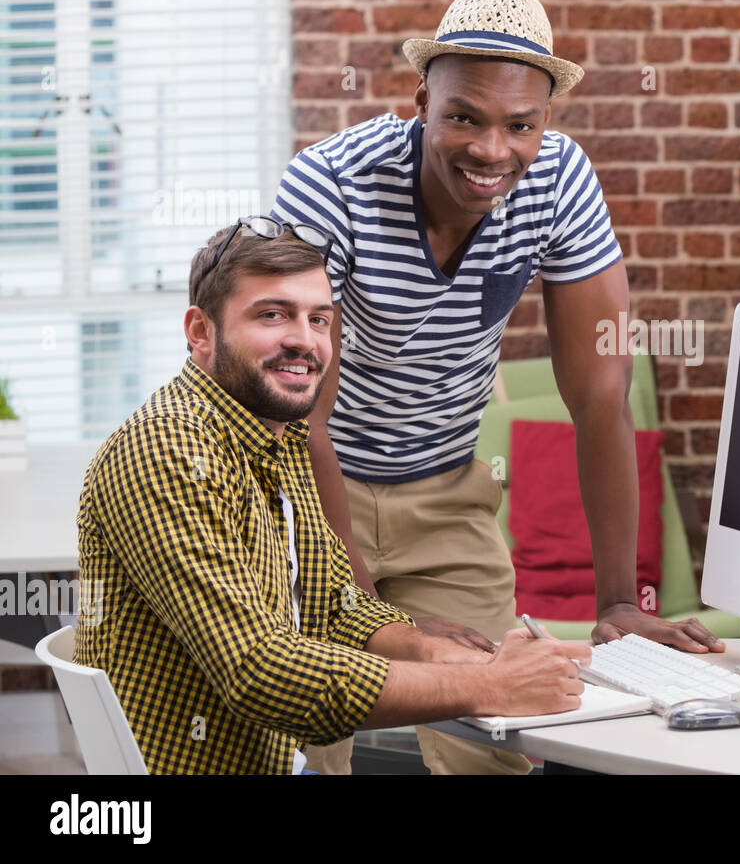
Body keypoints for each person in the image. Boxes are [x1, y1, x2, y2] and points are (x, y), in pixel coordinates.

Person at [269, 0, 723, 776]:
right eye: (464, 117)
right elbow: (300, 421)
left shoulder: (559, 183)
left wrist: (618, 603)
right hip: (303, 499)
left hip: (445, 495)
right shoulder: (329, 187)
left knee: (500, 745)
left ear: (547, 120)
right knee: (303, 743)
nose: (491, 149)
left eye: (521, 124)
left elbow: (600, 396)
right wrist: (366, 616)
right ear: (422, 101)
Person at [74, 218, 591, 774]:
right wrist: (486, 684)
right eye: (272, 314)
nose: (304, 339)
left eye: (318, 318)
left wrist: (455, 653)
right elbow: (260, 673)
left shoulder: (281, 434)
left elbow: (335, 606)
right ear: (200, 331)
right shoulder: (167, 448)